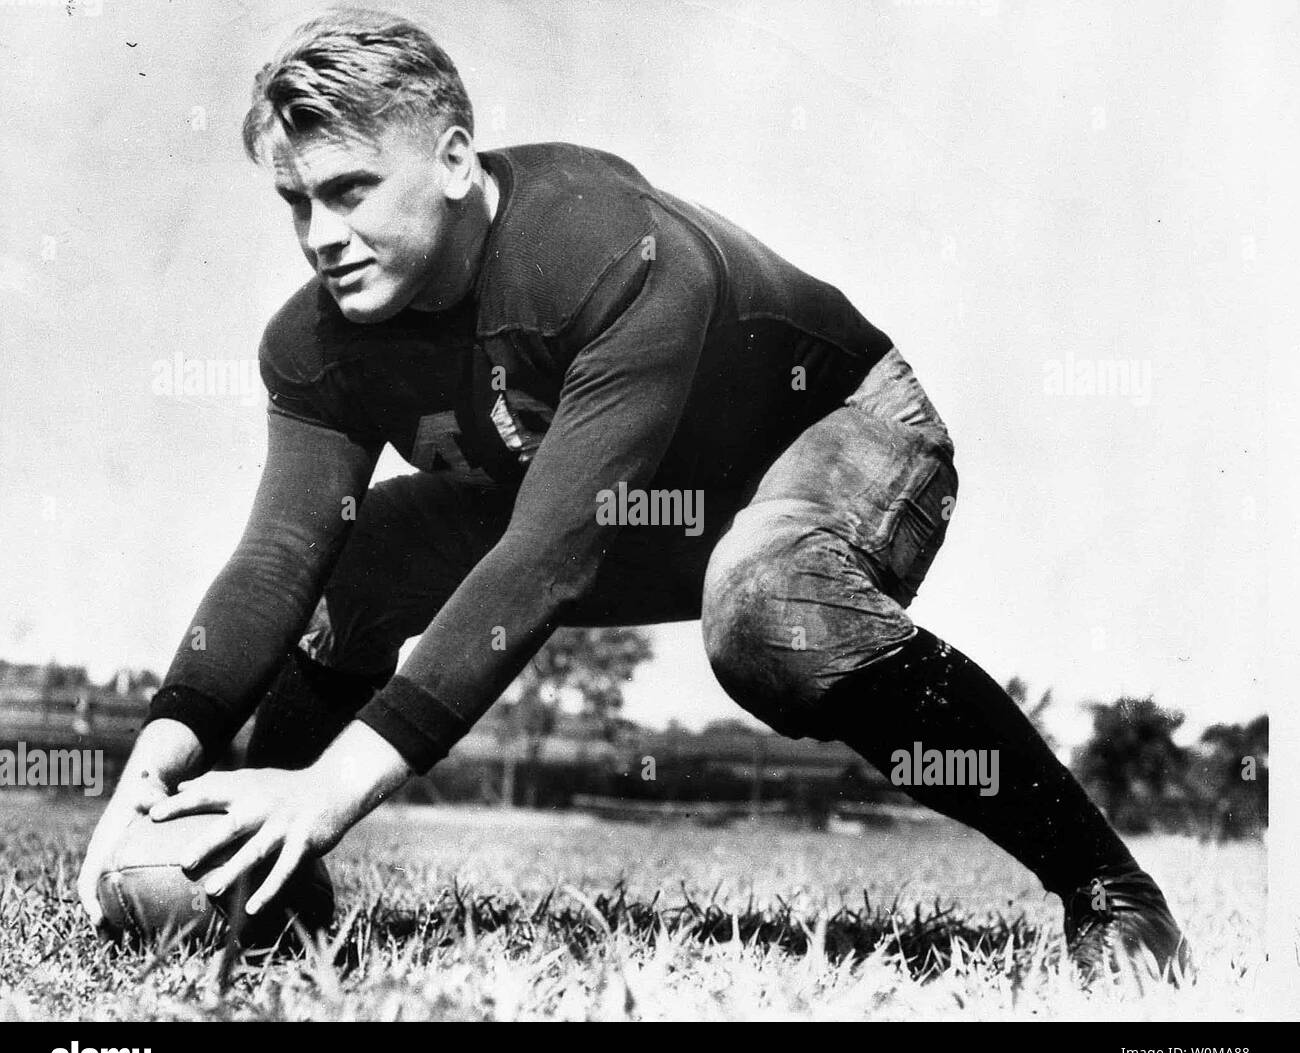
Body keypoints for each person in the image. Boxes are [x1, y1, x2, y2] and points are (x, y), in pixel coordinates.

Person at [78, 7, 1189, 981]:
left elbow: (548, 554)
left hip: (824, 431)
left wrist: (330, 787)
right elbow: (279, 556)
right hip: (618, 499)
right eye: (296, 203)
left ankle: (1108, 888)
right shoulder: (318, 342)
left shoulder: (605, 245)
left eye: (351, 191)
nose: (321, 236)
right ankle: (263, 888)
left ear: (456, 160)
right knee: (351, 567)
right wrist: (156, 763)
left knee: (768, 607)